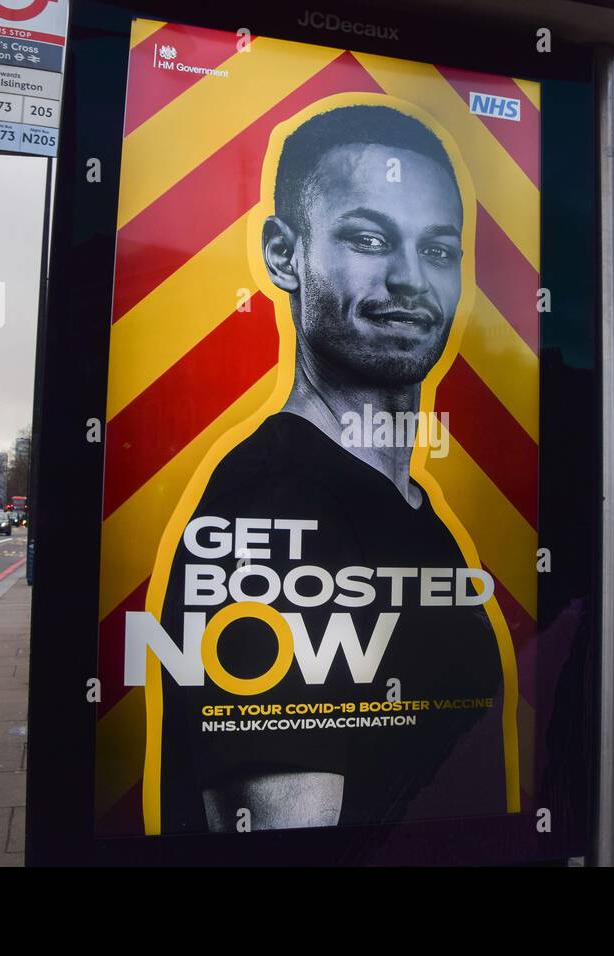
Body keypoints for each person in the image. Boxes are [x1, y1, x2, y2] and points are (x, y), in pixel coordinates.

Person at [155, 104, 507, 833]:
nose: (411, 279)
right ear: (285, 253)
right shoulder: (271, 503)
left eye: (439, 250)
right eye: (370, 238)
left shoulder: (410, 506)